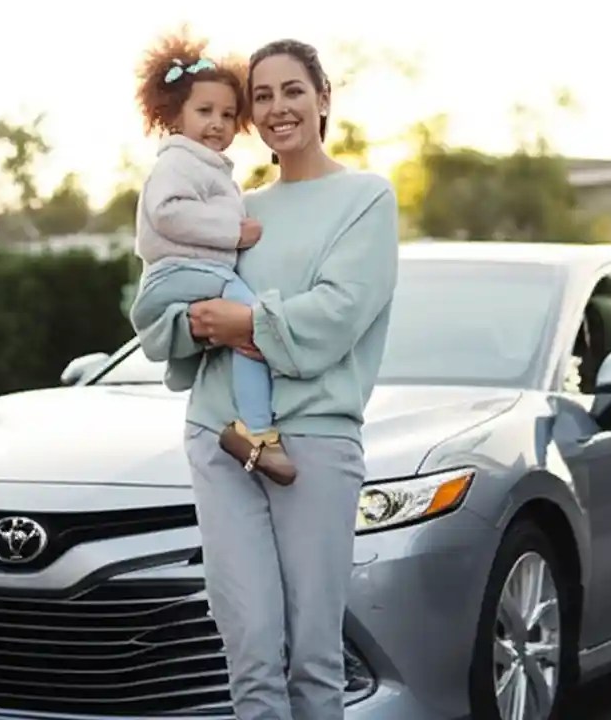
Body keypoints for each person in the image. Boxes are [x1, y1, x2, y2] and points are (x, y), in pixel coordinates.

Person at [156, 38, 400, 720]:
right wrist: (207, 323)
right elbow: (165, 311)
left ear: (323, 98)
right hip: (218, 436)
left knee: (313, 658)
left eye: (292, 91)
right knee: (252, 650)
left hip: (315, 444)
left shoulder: (365, 199)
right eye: (261, 97)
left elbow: (339, 314)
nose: (276, 108)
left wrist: (241, 322)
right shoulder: (233, 210)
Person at [127, 30, 296, 486]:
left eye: (227, 114)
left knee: (246, 329)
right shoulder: (178, 162)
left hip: (194, 274)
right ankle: (258, 431)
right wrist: (233, 234)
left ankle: (244, 419)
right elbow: (168, 213)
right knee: (253, 323)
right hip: (179, 273)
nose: (217, 123)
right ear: (173, 115)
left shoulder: (206, 164)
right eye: (204, 112)